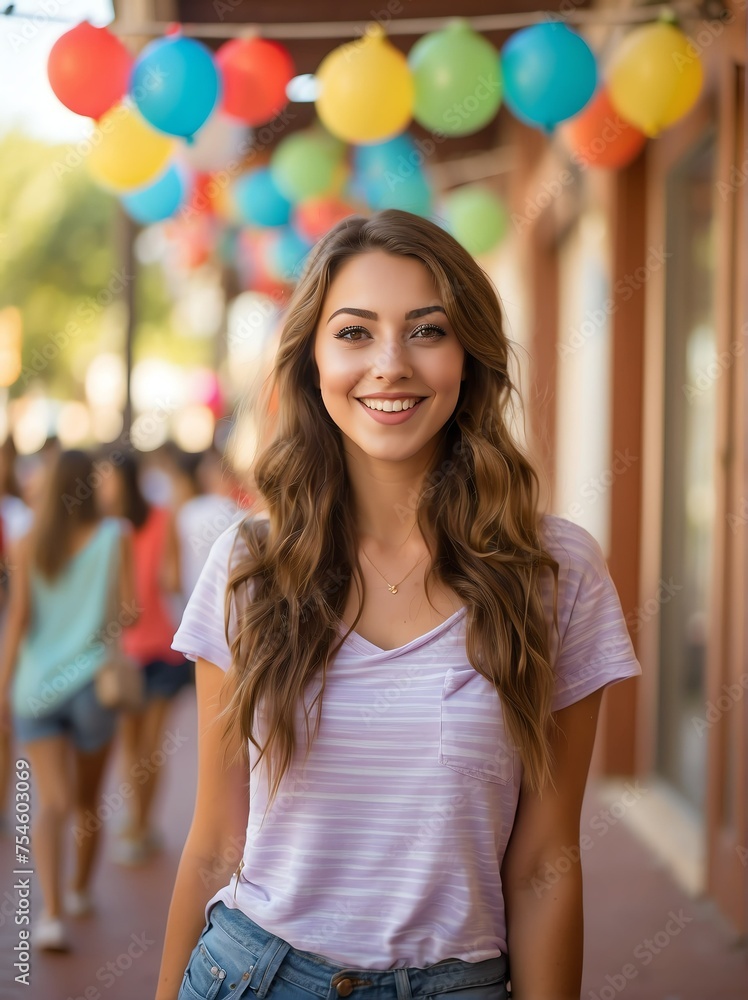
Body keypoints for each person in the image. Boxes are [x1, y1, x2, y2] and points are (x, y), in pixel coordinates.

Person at [156, 210, 642, 1000]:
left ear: (468, 357)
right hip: (253, 975)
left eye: (427, 330)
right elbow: (215, 841)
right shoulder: (251, 565)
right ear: (313, 360)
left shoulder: (555, 573)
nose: (390, 364)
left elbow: (546, 861)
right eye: (353, 333)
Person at [0, 448, 135, 951]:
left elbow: (16, 621)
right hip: (93, 686)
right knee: (88, 803)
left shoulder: (26, 539)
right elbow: (129, 612)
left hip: (35, 688)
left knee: (52, 802)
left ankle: (50, 916)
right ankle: (78, 891)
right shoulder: (113, 536)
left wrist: (3, 690)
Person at [97, 451, 191, 865]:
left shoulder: (158, 519)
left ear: (125, 479)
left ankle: (140, 824)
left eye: (107, 478)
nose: (101, 486)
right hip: (125, 655)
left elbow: (174, 576)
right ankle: (140, 821)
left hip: (163, 650)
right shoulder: (106, 529)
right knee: (132, 747)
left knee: (149, 748)